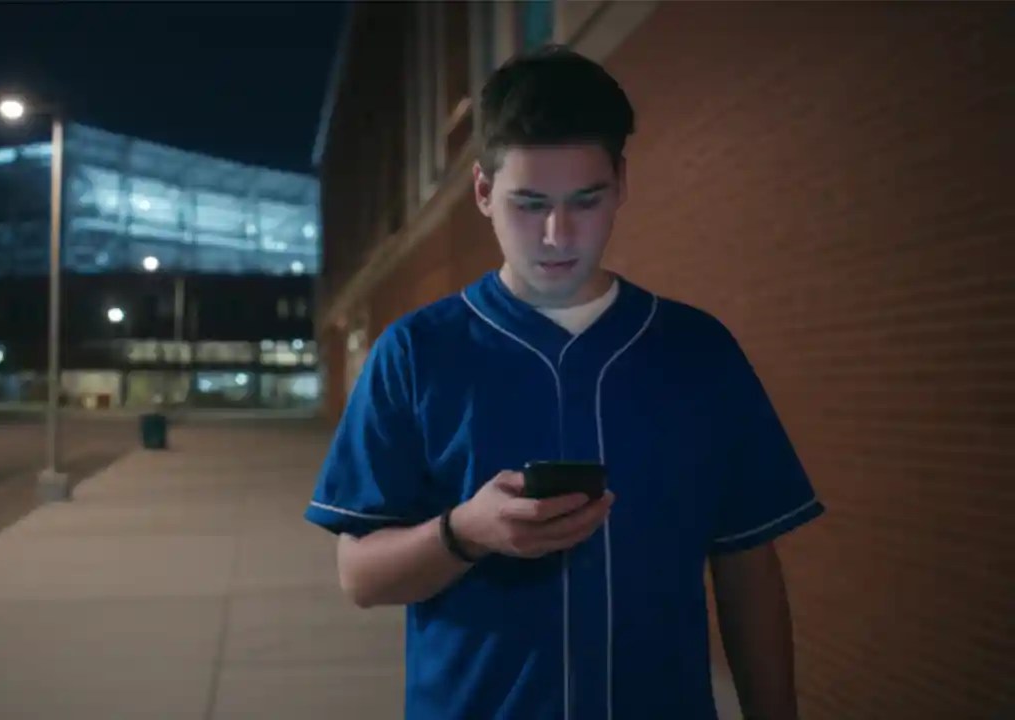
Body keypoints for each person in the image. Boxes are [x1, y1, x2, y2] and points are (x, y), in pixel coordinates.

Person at [304, 45, 824, 720]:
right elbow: (361, 577)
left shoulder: (697, 351)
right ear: (484, 192)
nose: (558, 233)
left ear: (622, 185)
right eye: (529, 203)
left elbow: (748, 565)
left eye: (586, 200)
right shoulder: (416, 352)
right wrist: (466, 532)